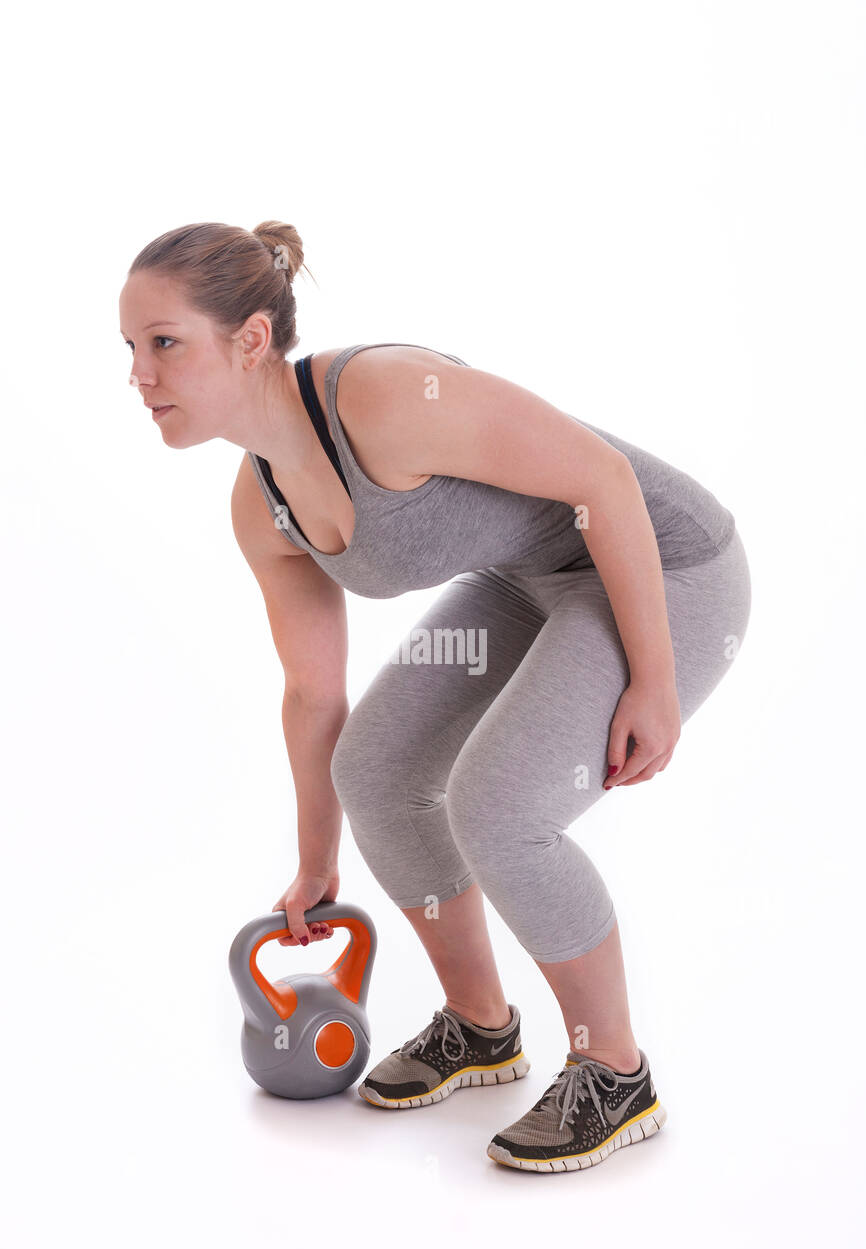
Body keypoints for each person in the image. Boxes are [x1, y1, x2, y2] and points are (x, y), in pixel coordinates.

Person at [120, 220, 751, 1175]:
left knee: (498, 806)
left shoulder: (380, 396)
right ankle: (481, 1028)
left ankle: (616, 1072)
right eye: (129, 348)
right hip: (528, 582)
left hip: (664, 565)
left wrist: (653, 683)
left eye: (163, 342)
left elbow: (603, 480)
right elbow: (311, 692)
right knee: (376, 771)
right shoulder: (264, 506)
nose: (139, 373)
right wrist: (315, 862)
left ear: (250, 339)